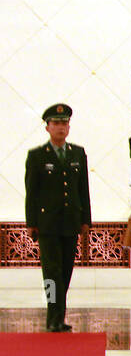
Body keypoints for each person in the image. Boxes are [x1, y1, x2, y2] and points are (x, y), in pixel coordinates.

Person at [25, 103, 92, 333]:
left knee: (65, 271)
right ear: (47, 127)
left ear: (69, 127)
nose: (61, 127)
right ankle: (53, 317)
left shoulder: (77, 153)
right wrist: (31, 223)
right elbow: (31, 193)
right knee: (51, 273)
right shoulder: (36, 156)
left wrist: (86, 220)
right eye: (56, 123)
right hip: (48, 225)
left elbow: (83, 188)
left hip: (71, 222)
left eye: (64, 123)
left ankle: (59, 317)